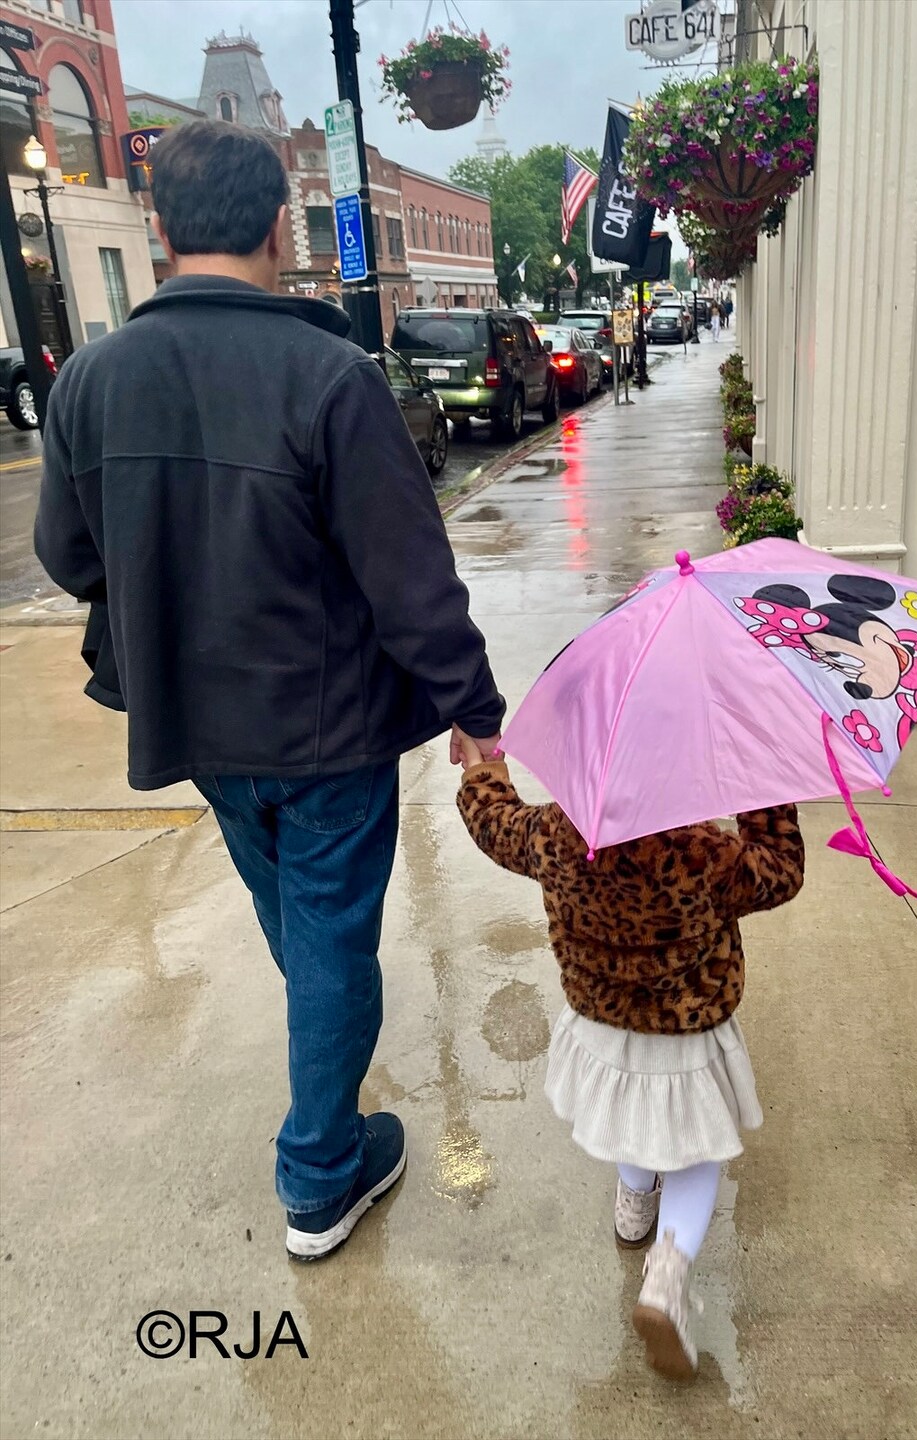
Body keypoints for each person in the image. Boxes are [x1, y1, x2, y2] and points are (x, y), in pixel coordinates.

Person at [34, 121, 504, 1262]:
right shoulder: (329, 374)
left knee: (303, 926)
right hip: (329, 724)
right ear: (279, 227)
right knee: (332, 937)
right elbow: (409, 576)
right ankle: (321, 1174)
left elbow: (67, 555)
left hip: (198, 723)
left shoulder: (92, 378)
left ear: (158, 228)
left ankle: (327, 1067)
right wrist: (476, 711)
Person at [455, 739, 804, 1380]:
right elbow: (782, 870)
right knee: (697, 1152)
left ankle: (634, 1203)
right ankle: (667, 1275)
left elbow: (493, 827)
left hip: (603, 1025)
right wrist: (763, 783)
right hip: (686, 1030)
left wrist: (485, 770)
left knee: (631, 1118)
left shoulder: (555, 833)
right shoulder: (705, 854)